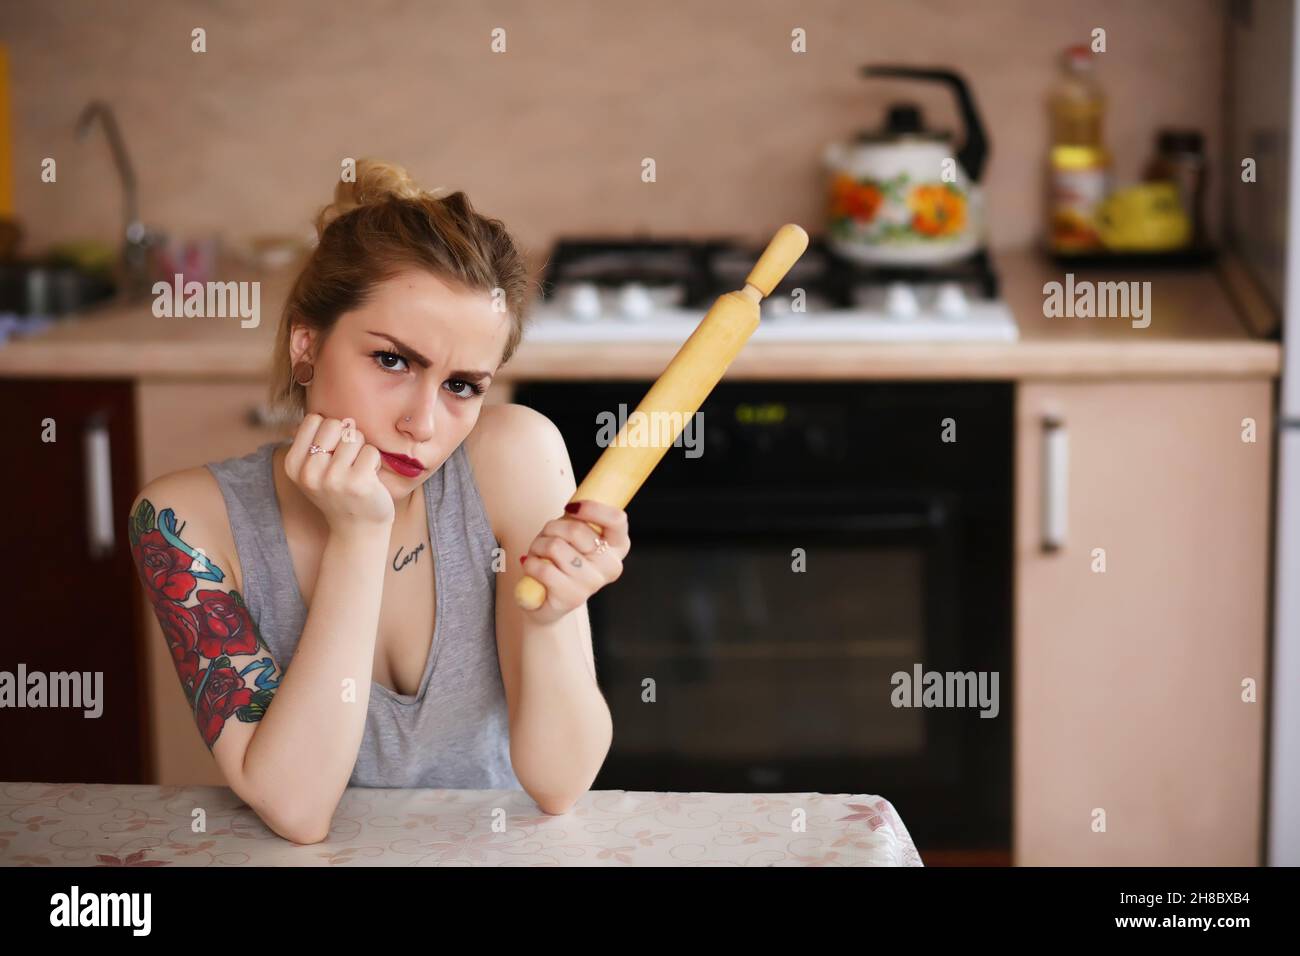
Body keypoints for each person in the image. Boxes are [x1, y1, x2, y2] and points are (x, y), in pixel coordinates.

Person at [128, 159, 628, 845]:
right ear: (307, 346)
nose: (423, 424)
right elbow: (298, 810)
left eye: (462, 386)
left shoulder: (516, 458)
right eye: (393, 361)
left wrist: (549, 618)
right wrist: (359, 538)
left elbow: (560, 782)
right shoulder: (182, 525)